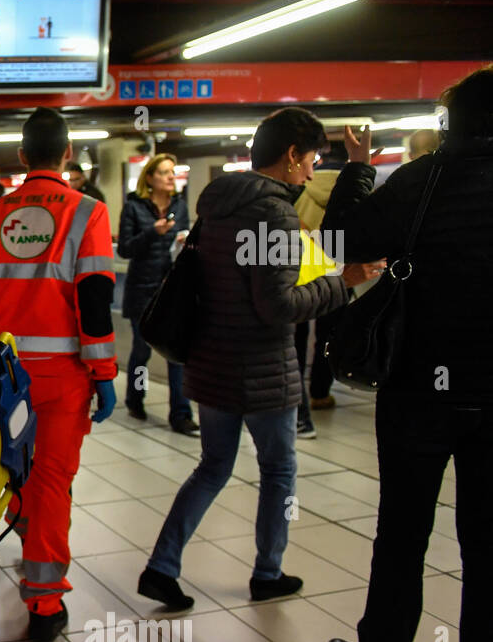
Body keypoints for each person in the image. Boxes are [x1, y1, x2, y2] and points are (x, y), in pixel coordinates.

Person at [136, 108, 382, 612]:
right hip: (261, 369)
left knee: (212, 467)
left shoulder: (217, 205)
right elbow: (278, 306)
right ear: (292, 156)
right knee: (278, 472)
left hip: (212, 361)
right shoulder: (274, 213)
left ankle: (161, 566)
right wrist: (346, 284)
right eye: (311, 160)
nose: (312, 172)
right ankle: (268, 572)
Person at [321, 65, 493, 642]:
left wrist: (358, 169)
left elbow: (340, 240)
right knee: (487, 541)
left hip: (419, 386)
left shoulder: (422, 182)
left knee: (403, 531)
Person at [0, 107, 118, 642]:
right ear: (68, 154)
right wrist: (103, 372)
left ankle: (27, 543)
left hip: (1, 378)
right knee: (52, 482)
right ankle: (44, 603)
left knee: (16, 472)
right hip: (61, 376)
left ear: (22, 157)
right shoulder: (87, 213)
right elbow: (94, 299)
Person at [117, 152, 198, 434]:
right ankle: (135, 398)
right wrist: (153, 231)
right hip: (142, 290)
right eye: (164, 172)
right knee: (142, 351)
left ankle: (180, 413)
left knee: (176, 352)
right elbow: (126, 248)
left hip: (172, 289)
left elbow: (188, 246)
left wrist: (183, 240)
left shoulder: (180, 205)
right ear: (150, 178)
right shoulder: (134, 207)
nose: (170, 177)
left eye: (173, 172)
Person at [292, 141, 349, 419]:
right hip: (337, 273)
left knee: (297, 334)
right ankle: (320, 392)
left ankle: (295, 393)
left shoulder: (299, 187)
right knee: (330, 334)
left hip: (300, 270)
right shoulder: (354, 188)